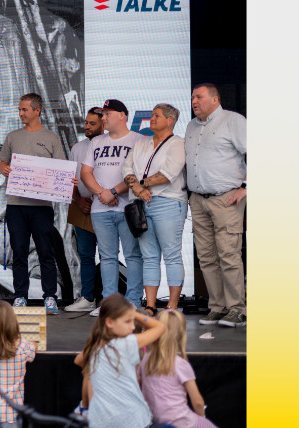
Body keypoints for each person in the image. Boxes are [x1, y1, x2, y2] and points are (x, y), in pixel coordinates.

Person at [185, 83, 247, 328]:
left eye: (199, 96)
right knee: (207, 257)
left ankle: (237, 310)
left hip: (226, 197)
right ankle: (217, 308)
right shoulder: (191, 126)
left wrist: (246, 187)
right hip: (199, 200)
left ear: (214, 99)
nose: (194, 101)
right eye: (192, 97)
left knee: (229, 255)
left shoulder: (233, 121)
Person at [0, 93, 67, 314]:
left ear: (37, 110)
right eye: (19, 109)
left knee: (46, 252)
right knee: (18, 252)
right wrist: (4, 169)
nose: (20, 113)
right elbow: (2, 163)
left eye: (24, 109)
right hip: (16, 204)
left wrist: (67, 180)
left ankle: (50, 297)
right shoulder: (12, 136)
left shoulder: (51, 138)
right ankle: (20, 296)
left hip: (42, 207)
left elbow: (61, 169)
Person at [79, 99, 144, 315]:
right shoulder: (97, 142)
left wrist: (114, 191)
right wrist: (101, 193)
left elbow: (138, 175)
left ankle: (134, 301)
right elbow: (85, 173)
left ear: (123, 115)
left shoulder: (139, 140)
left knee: (133, 255)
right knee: (107, 256)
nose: (103, 118)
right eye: (103, 114)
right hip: (100, 208)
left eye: (107, 114)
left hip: (128, 207)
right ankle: (108, 302)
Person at [123, 104, 188, 314]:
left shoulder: (178, 144)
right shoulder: (142, 142)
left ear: (170, 120)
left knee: (171, 254)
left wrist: (142, 185)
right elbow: (127, 167)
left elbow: (168, 173)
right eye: (151, 115)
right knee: (149, 256)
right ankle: (150, 306)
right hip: (143, 203)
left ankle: (172, 306)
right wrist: (137, 188)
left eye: (156, 115)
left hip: (168, 203)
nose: (151, 118)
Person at [75, 294, 165, 428]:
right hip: (131, 420)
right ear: (110, 322)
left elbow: (79, 361)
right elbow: (160, 327)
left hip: (101, 420)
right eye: (127, 321)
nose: (133, 327)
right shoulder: (127, 343)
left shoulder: (94, 345)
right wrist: (136, 314)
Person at [138, 310, 216, 428]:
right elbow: (198, 403)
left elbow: (139, 386)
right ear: (181, 334)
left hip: (155, 421)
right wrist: (202, 417)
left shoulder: (145, 360)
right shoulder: (180, 364)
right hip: (182, 422)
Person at [64, 107, 104, 313]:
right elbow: (70, 179)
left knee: (107, 255)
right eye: (86, 122)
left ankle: (108, 299)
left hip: (105, 206)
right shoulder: (77, 148)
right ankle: (88, 297)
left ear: (104, 124)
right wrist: (79, 200)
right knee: (86, 255)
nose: (87, 127)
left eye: (92, 123)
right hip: (82, 207)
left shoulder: (111, 145)